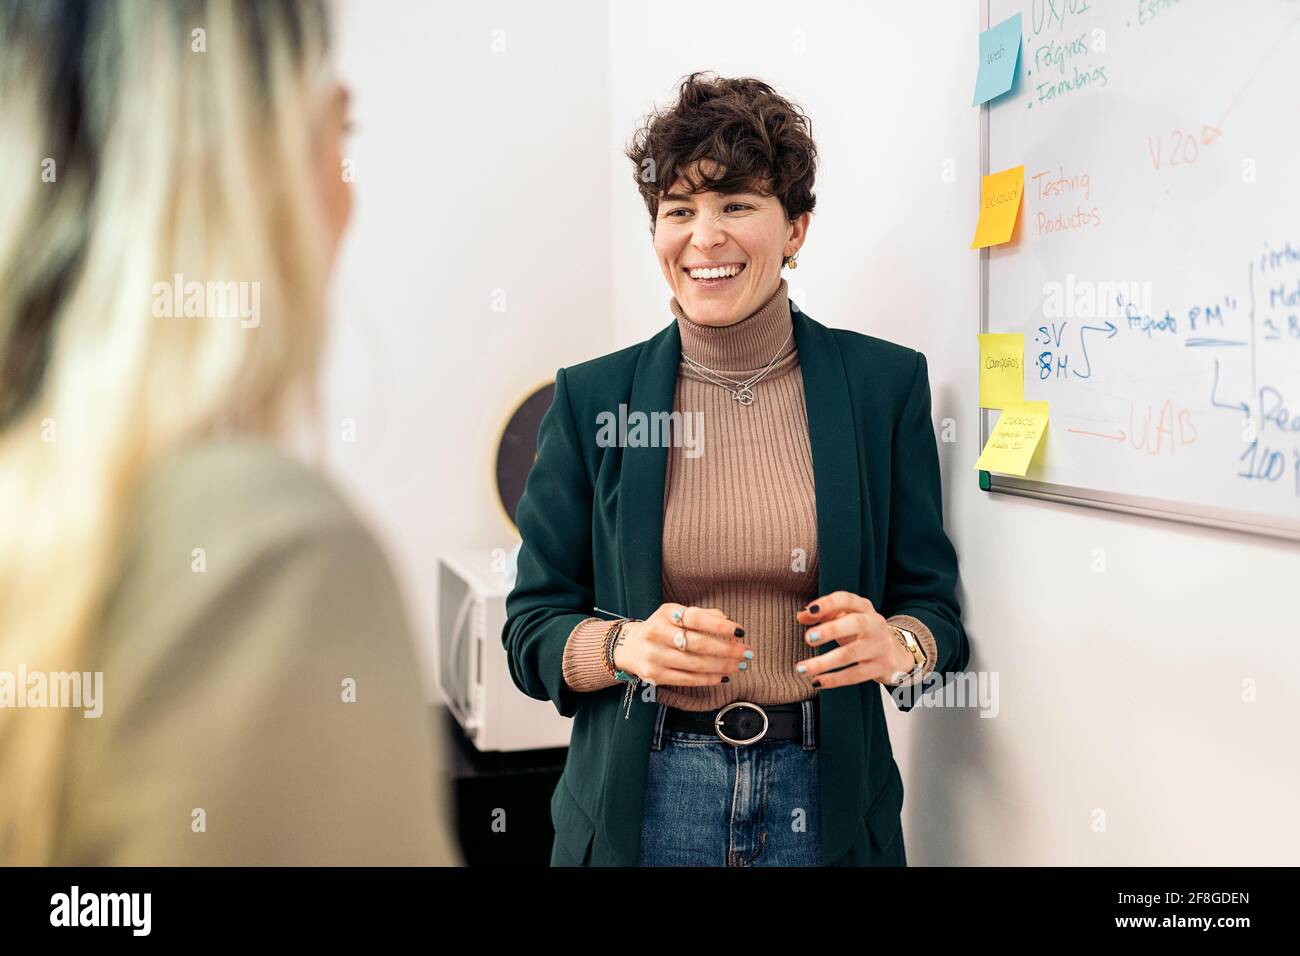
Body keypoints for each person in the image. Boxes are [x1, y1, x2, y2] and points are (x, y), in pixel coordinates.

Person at [0, 0, 460, 866]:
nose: (343, 190)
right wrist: (617, 645)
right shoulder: (267, 557)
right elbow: (539, 626)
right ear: (247, 172)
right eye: (335, 132)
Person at [503, 72, 970, 866]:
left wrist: (902, 646)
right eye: (678, 211)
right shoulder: (593, 398)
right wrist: (623, 647)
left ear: (796, 229)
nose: (704, 238)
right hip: (647, 802)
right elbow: (530, 631)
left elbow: (932, 605)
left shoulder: (881, 386)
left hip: (823, 797)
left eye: (737, 205)